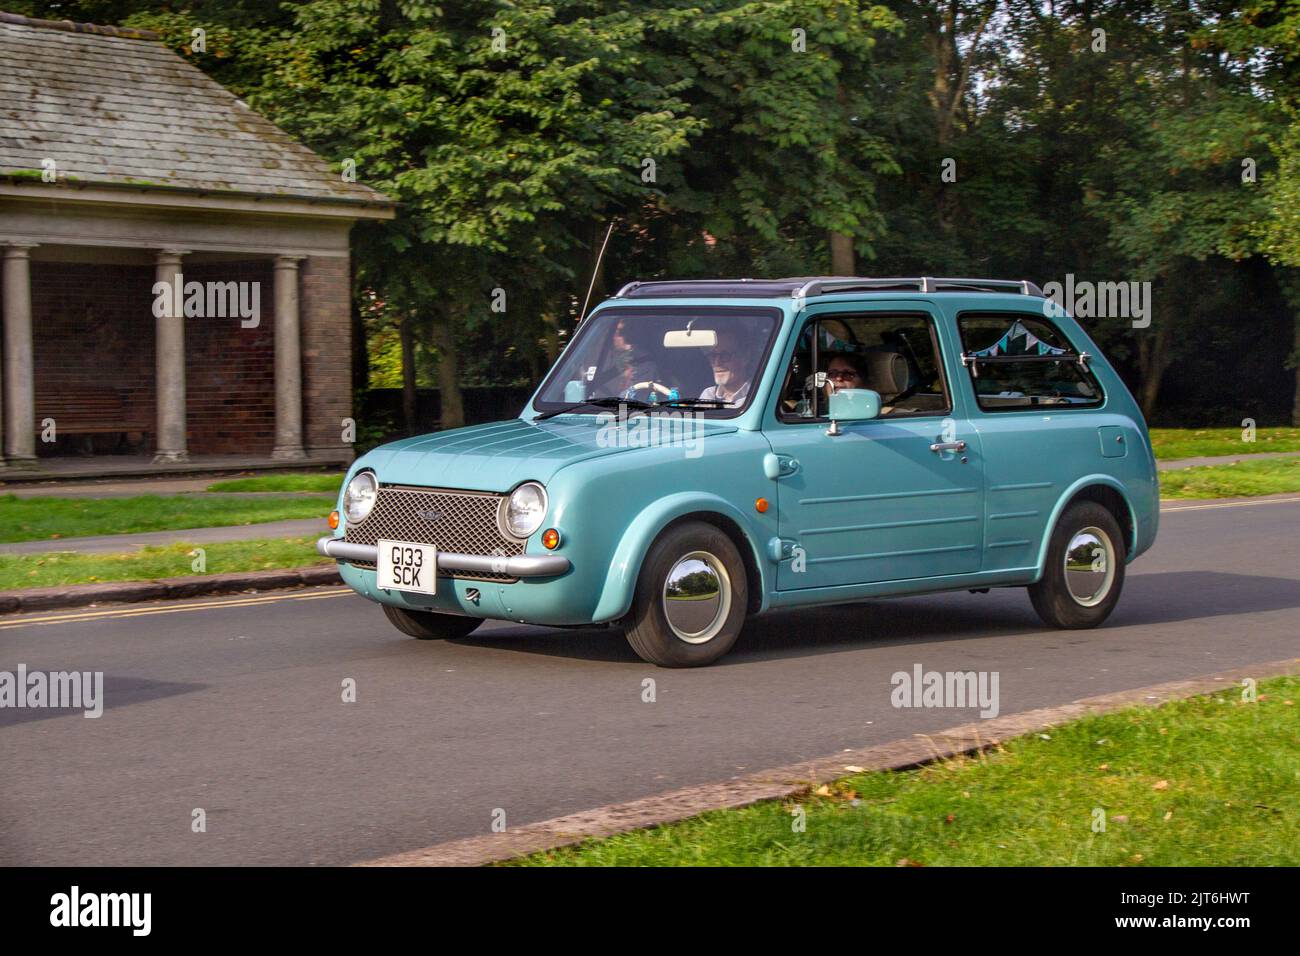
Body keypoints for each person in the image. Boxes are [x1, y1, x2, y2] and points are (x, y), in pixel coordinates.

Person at [698, 328, 754, 407]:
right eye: (713, 356)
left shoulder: (759, 396)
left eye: (725, 355)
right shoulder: (708, 396)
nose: (717, 363)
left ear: (745, 357)